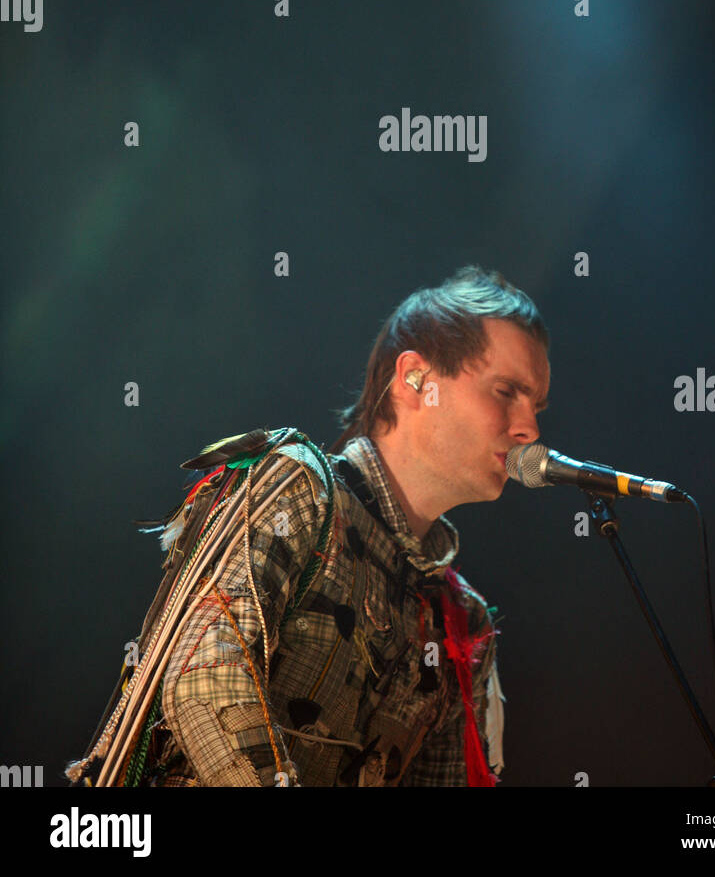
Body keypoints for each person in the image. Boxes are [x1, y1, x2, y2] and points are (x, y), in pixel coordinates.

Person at [67, 264, 550, 788]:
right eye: (506, 391)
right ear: (415, 379)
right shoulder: (300, 485)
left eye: (537, 405)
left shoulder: (462, 620)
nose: (530, 428)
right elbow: (204, 683)